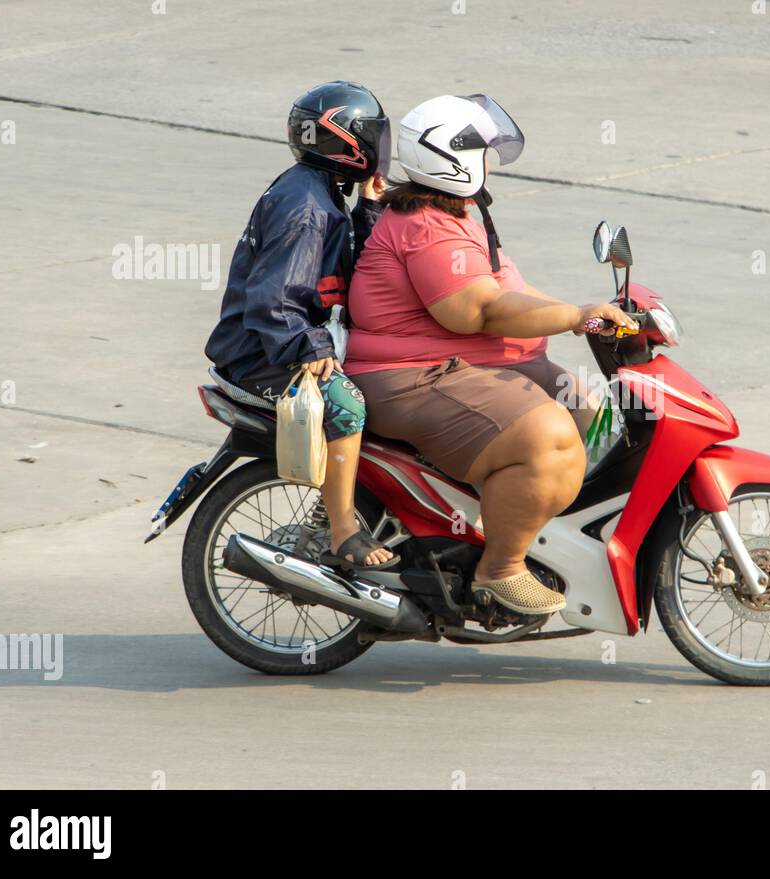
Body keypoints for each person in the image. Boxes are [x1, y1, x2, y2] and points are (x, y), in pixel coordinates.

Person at [345, 94, 635, 613]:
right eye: (481, 150)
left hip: (463, 365)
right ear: (451, 156)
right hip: (414, 377)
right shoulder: (429, 228)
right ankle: (499, 568)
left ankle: (519, 529)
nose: (489, 159)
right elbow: (476, 311)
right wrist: (574, 316)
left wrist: (595, 315)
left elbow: (510, 289)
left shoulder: (454, 212)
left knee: (596, 420)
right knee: (554, 442)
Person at [204, 80, 396, 571]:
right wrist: (306, 345)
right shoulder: (306, 208)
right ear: (344, 141)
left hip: (281, 341)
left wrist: (370, 208)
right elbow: (274, 300)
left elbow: (350, 264)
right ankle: (341, 531)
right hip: (259, 354)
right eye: (371, 136)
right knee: (347, 405)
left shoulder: (320, 191)